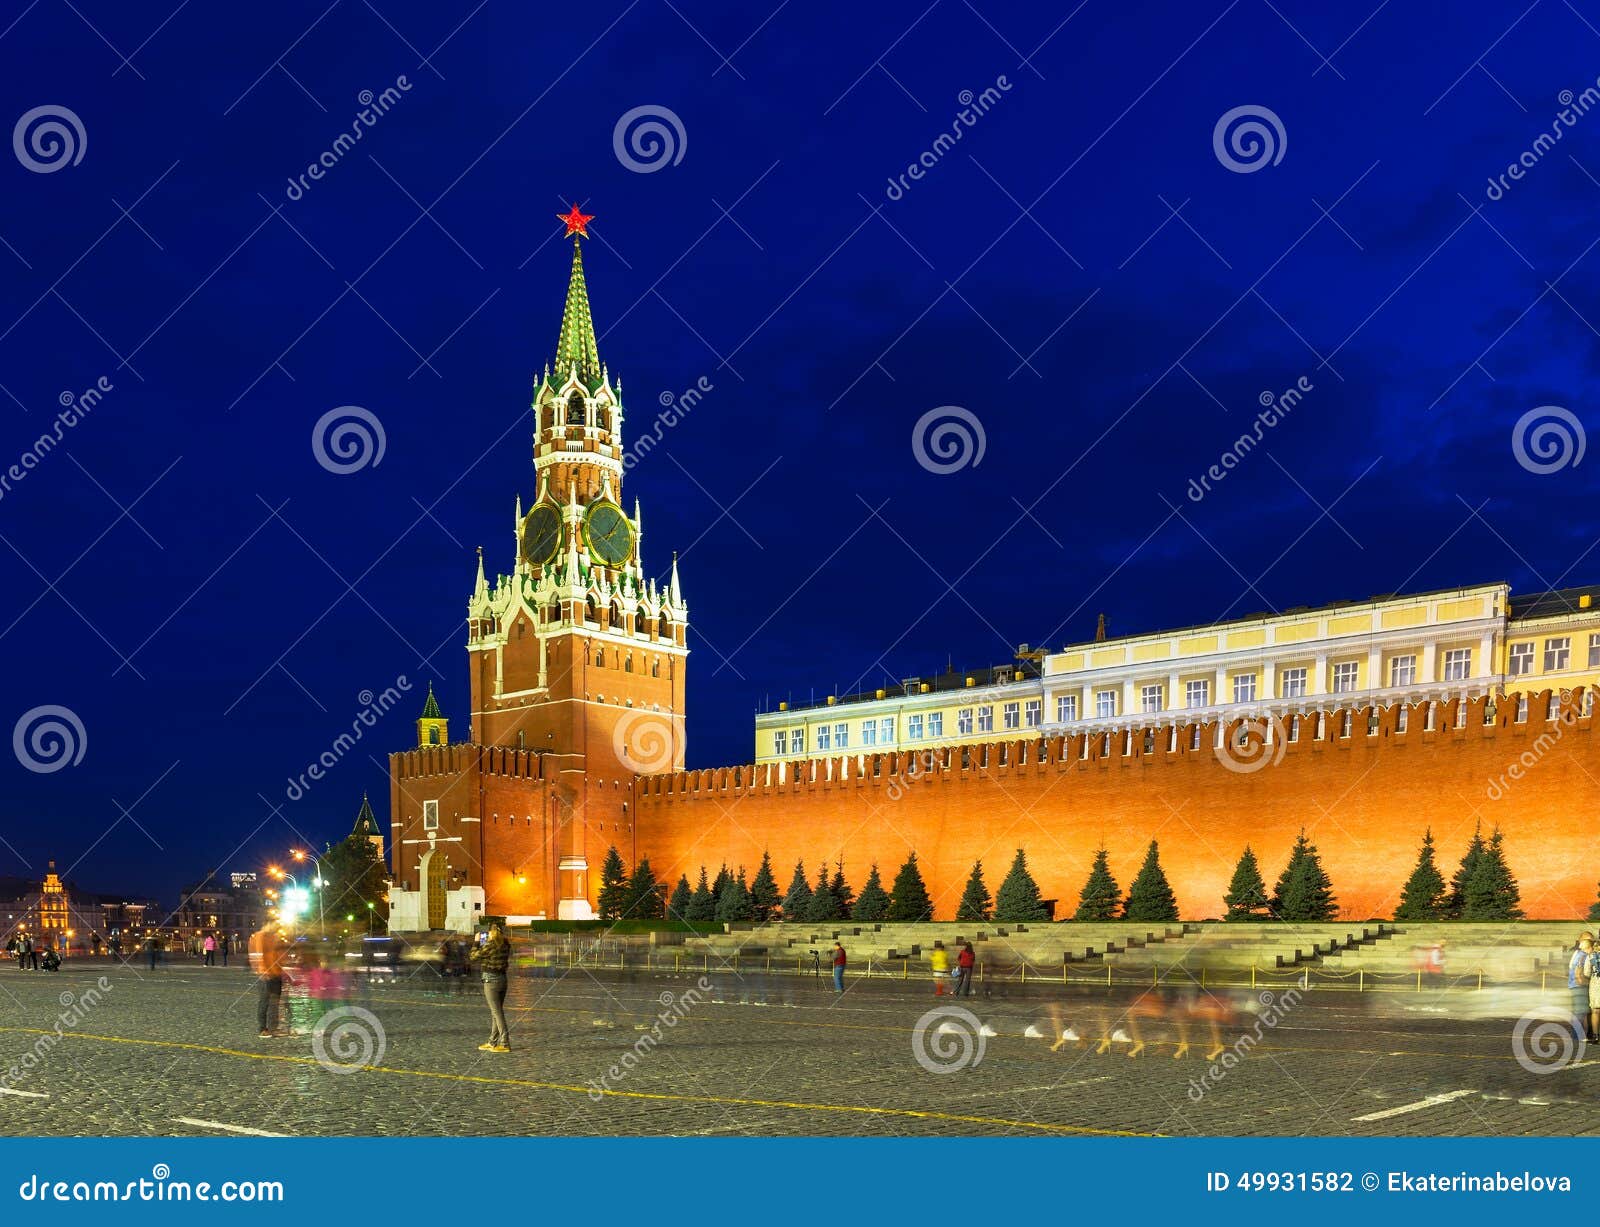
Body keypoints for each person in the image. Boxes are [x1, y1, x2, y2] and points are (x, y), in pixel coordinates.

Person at [470, 923, 513, 1052]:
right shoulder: (505, 944)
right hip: (502, 979)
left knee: (497, 1013)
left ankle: (505, 1043)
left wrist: (476, 942)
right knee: (496, 1012)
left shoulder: (490, 945)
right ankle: (492, 1042)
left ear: (491, 932)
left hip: (491, 980)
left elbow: (473, 957)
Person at [253, 925, 288, 1037]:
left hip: (276, 973)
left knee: (275, 1002)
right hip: (265, 974)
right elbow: (258, 954)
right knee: (264, 1002)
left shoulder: (275, 937)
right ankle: (262, 1029)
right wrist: (263, 970)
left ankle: (274, 1027)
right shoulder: (260, 936)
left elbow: (279, 955)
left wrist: (282, 969)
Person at [1569, 933, 1593, 1042]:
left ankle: (1579, 1035)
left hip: (1575, 986)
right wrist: (1586, 983)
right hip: (1579, 986)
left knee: (1580, 1012)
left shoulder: (1578, 953)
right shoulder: (1583, 955)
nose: (1593, 944)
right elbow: (1578, 973)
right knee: (1580, 1012)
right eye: (1590, 941)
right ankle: (1576, 1036)